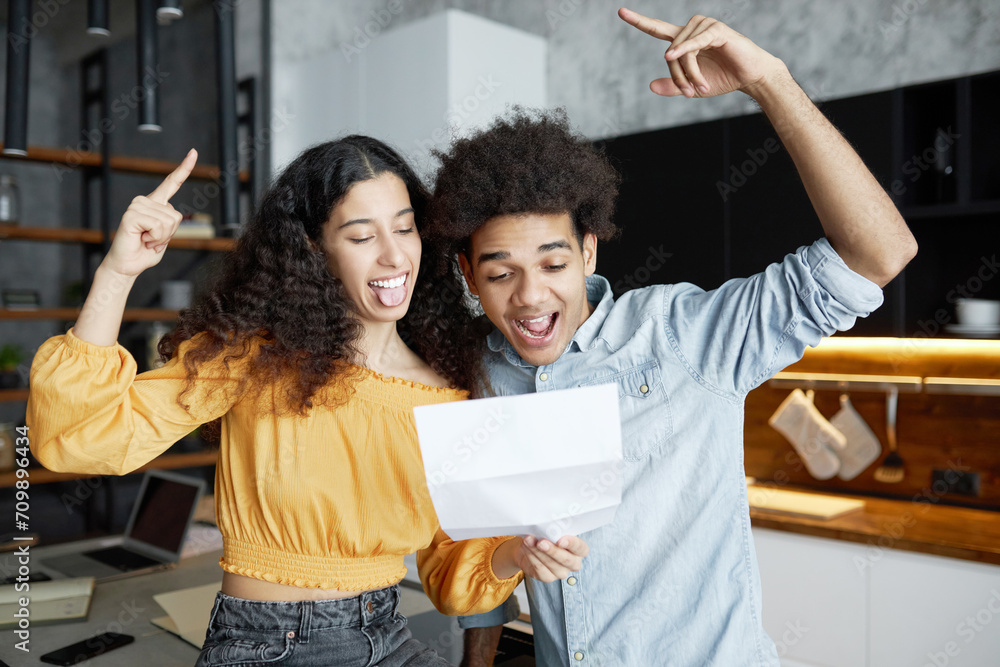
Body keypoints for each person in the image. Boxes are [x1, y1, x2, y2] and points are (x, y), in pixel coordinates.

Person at [425, 8, 918, 667]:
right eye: (501, 272)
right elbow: (482, 567)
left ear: (589, 253)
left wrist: (770, 80)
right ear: (468, 275)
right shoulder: (478, 376)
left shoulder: (685, 336)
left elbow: (878, 255)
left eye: (552, 263)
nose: (531, 296)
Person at [26, 137, 589, 666]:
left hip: (387, 633)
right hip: (267, 643)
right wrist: (119, 271)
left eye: (406, 229)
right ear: (315, 250)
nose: (395, 257)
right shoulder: (254, 358)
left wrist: (518, 553)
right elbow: (78, 441)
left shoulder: (448, 389)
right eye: (363, 236)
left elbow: (450, 571)